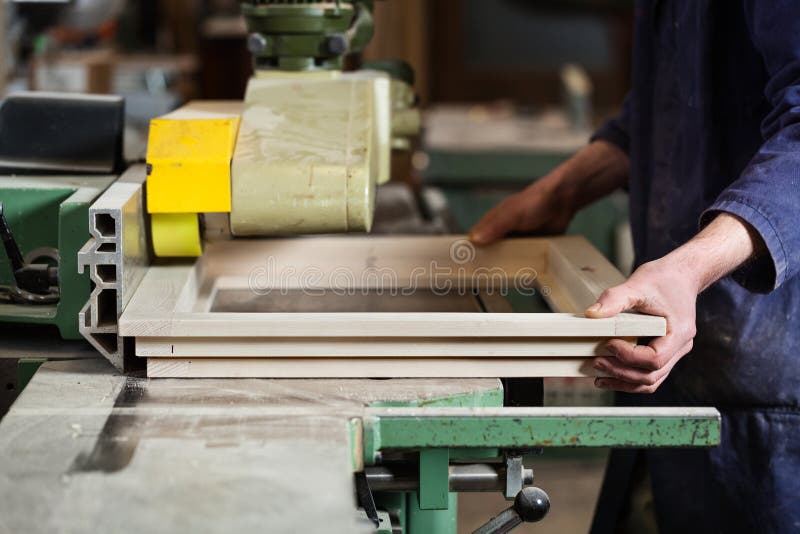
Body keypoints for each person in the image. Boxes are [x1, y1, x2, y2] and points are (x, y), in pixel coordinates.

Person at [469, 2, 800, 532]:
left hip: (771, 393)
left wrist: (689, 270)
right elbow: (667, 108)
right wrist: (563, 190)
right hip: (671, 362)